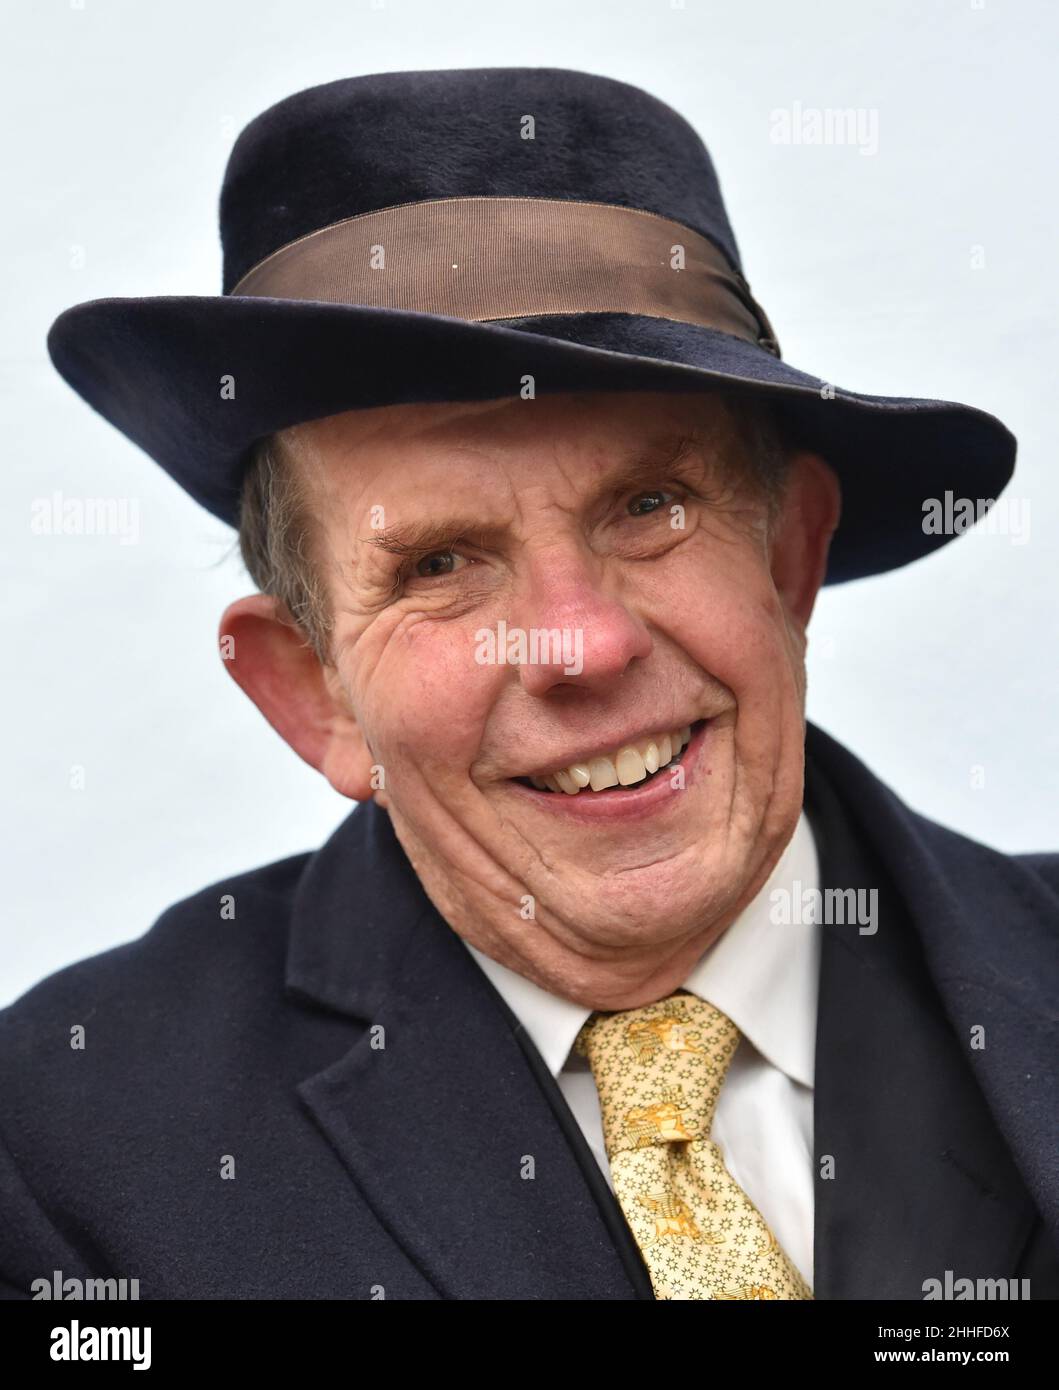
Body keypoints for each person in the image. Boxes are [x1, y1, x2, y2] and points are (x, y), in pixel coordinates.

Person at [2, 67, 1055, 1301]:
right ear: (314, 690)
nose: (581, 646)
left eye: (650, 506)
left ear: (787, 558)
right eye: (441, 563)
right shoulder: (61, 1159)